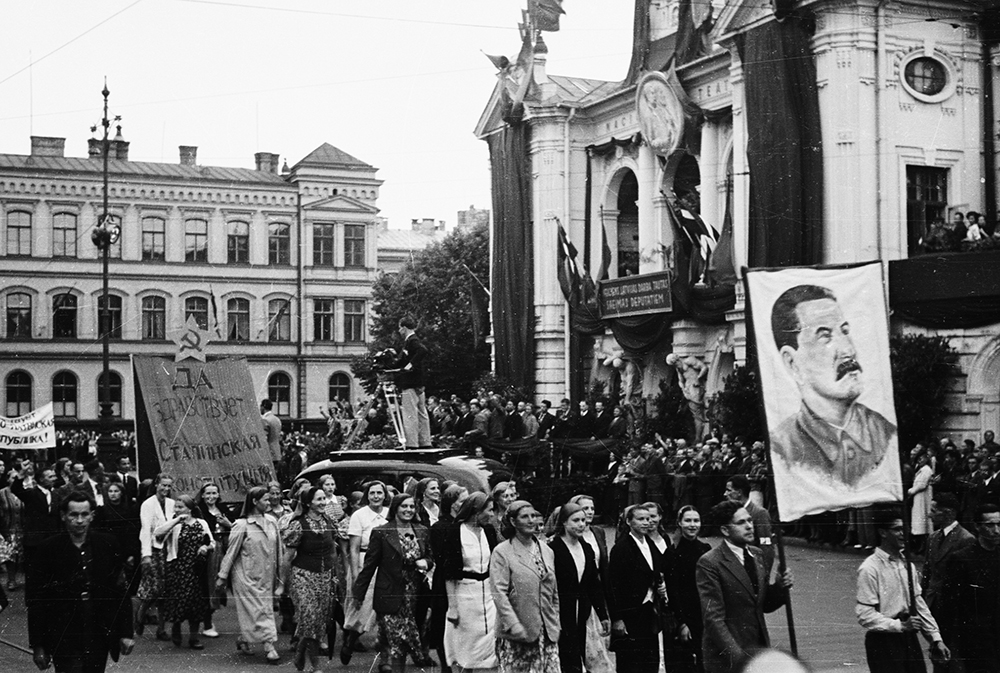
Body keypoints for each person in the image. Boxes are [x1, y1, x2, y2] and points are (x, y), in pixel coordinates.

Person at [768, 284, 896, 486]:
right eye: (825, 336)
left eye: (845, 331)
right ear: (792, 363)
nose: (848, 350)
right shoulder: (781, 449)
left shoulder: (886, 434)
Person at [27, 491, 135, 673]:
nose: (79, 520)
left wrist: (125, 633)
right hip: (64, 632)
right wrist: (39, 645)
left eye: (84, 514)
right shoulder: (48, 549)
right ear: (63, 516)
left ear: (92, 515)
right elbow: (36, 600)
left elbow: (120, 591)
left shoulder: (107, 545)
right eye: (73, 515)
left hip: (97, 630)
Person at [697, 500, 793, 673]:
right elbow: (713, 619)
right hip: (728, 658)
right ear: (725, 530)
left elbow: (762, 605)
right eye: (741, 523)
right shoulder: (710, 563)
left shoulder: (757, 554)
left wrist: (779, 587)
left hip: (758, 651)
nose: (749, 526)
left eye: (750, 520)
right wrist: (739, 659)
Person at [856, 507, 949, 672]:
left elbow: (918, 604)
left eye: (904, 529)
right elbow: (865, 615)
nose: (903, 534)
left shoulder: (907, 565)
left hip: (908, 638)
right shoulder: (870, 569)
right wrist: (899, 626)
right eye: (897, 529)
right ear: (883, 533)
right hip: (883, 641)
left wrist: (936, 638)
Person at [353, 493, 434, 673]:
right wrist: (358, 594)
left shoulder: (421, 530)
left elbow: (430, 557)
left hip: (414, 594)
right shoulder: (382, 532)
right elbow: (369, 566)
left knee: (403, 639)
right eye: (404, 506)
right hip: (390, 593)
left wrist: (426, 563)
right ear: (396, 508)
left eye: (411, 507)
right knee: (399, 639)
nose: (408, 510)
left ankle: (385, 649)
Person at [491, 500, 561, 673]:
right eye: (525, 517)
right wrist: (514, 625)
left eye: (534, 516)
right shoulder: (502, 552)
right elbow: (499, 593)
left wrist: (556, 620)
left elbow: (554, 591)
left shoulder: (546, 550)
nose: (531, 521)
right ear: (513, 522)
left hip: (547, 632)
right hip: (519, 632)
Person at [216, 486, 283, 663]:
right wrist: (222, 576)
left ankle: (244, 638)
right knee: (261, 611)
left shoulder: (271, 522)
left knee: (260, 611)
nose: (269, 502)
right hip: (246, 577)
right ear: (254, 502)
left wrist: (280, 575)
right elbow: (231, 552)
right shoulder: (241, 525)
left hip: (267, 576)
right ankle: (269, 646)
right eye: (266, 500)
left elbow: (278, 551)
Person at [439, 491, 497, 673]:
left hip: (487, 594)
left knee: (487, 644)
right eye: (489, 510)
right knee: (463, 644)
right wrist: (453, 606)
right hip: (464, 593)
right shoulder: (455, 531)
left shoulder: (488, 531)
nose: (492, 515)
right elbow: (448, 573)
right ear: (476, 511)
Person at [282, 486, 338, 672]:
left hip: (325, 578)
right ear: (308, 503)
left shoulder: (328, 520)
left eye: (324, 499)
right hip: (303, 576)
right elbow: (287, 557)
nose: (323, 503)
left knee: (318, 621)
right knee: (309, 619)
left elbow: (333, 549)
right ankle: (316, 666)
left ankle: (299, 652)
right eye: (319, 499)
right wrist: (283, 583)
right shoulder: (298, 524)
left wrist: (335, 574)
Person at [549, 503, 609, 673]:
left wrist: (603, 614)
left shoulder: (586, 549)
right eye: (575, 520)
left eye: (583, 520)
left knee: (579, 654)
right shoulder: (553, 549)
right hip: (560, 611)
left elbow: (593, 584)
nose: (581, 524)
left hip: (582, 611)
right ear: (564, 523)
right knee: (564, 656)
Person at [941, 502, 1000, 672]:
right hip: (977, 644)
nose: (996, 531)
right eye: (990, 525)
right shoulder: (962, 559)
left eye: (999, 524)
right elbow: (949, 607)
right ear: (977, 527)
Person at [608, 504, 665, 673]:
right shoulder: (621, 548)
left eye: (648, 519)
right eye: (640, 519)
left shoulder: (650, 544)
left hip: (649, 610)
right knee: (630, 661)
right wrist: (617, 618)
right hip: (630, 612)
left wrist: (658, 587)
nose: (646, 522)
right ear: (628, 521)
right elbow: (613, 586)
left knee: (650, 659)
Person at [920, 493, 974, 668]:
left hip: (953, 607)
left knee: (952, 651)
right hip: (933, 602)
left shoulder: (965, 539)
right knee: (936, 648)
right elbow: (927, 571)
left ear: (948, 513)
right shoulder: (933, 537)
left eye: (934, 511)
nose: (930, 515)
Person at [155, 494, 215, 649]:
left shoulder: (201, 523)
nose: (177, 509)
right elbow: (158, 534)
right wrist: (176, 520)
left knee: (195, 603)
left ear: (189, 509)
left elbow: (212, 542)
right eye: (176, 506)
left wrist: (205, 547)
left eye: (181, 507)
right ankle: (176, 627)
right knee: (178, 601)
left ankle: (194, 638)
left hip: (195, 569)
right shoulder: (174, 524)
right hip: (178, 568)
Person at [341, 480, 389, 664]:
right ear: (367, 495)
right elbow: (353, 548)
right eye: (372, 493)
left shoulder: (388, 514)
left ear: (385, 495)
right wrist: (355, 575)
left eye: (379, 493)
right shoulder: (359, 515)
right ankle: (351, 639)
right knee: (361, 606)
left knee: (384, 610)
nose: (376, 496)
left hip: (385, 565)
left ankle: (384, 658)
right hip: (364, 563)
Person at [566, 494, 613, 673]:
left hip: (597, 591)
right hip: (580, 595)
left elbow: (603, 565)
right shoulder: (572, 535)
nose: (590, 512)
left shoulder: (598, 532)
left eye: (592, 508)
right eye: (585, 508)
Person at [664, 506, 711, 672]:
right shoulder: (672, 553)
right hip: (685, 615)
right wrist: (682, 622)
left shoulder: (706, 549)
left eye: (696, 521)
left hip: (705, 614)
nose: (692, 525)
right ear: (679, 523)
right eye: (688, 520)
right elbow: (673, 590)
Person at [136, 473, 176, 640]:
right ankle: (139, 617)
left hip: (168, 550)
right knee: (152, 589)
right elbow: (145, 530)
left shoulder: (172, 504)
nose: (166, 488)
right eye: (163, 485)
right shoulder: (148, 504)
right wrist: (145, 555)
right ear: (156, 485)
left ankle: (161, 628)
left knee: (165, 591)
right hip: (153, 550)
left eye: (169, 486)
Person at [193, 482, 235, 639]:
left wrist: (227, 524)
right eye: (208, 493)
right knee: (208, 585)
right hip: (209, 551)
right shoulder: (199, 512)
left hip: (224, 550)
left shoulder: (224, 510)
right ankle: (207, 622)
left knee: (220, 585)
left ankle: (209, 618)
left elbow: (235, 528)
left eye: (214, 493)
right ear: (202, 495)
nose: (211, 496)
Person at [95, 480, 142, 597]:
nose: (113, 494)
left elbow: (133, 533)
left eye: (116, 491)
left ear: (121, 493)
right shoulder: (102, 511)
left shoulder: (130, 510)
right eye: (110, 491)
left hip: (126, 549)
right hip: (109, 549)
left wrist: (132, 553)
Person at [392, 316, 432, 449]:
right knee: (421, 412)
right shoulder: (412, 341)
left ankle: (411, 443)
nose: (399, 331)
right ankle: (425, 442)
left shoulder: (411, 341)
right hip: (418, 382)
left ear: (403, 327)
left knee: (410, 413)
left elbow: (423, 350)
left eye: (399, 328)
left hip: (410, 382)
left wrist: (409, 366)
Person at [723, 475, 774, 574]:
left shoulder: (759, 513)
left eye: (729, 490)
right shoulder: (731, 512)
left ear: (739, 492)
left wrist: (764, 575)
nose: (725, 494)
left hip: (752, 569)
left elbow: (766, 547)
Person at [908, 450, 934, 553]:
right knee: (920, 522)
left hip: (923, 498)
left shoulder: (926, 470)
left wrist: (910, 491)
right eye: (918, 459)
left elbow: (921, 485)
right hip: (919, 498)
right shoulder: (921, 469)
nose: (920, 460)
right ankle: (922, 546)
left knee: (924, 522)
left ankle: (924, 547)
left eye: (922, 458)